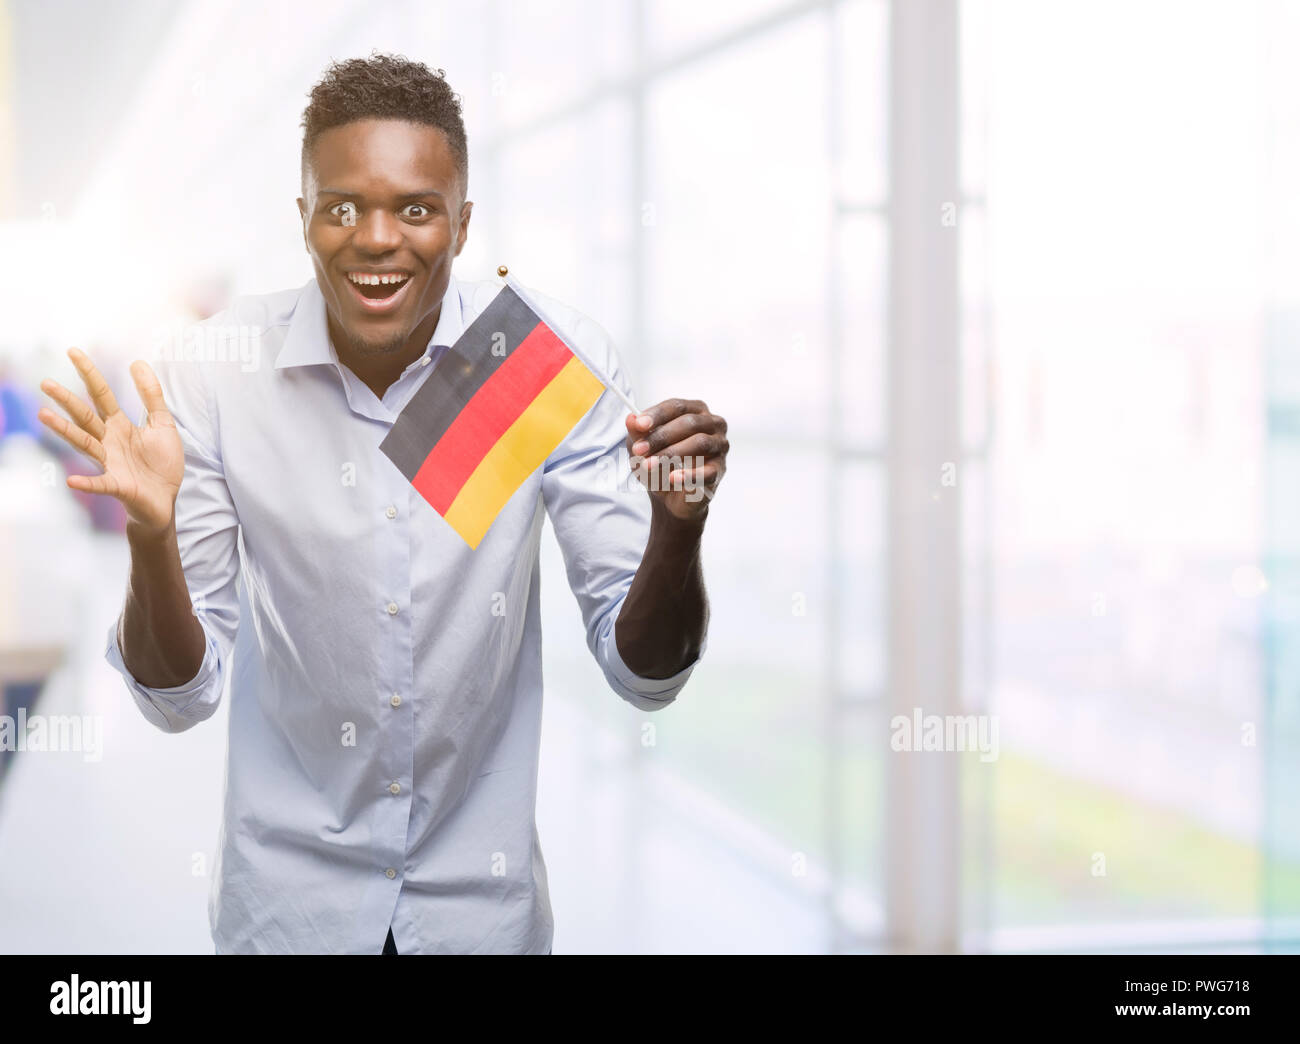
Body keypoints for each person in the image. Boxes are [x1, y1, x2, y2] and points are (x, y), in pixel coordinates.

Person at [35, 53, 727, 955]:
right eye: (343, 207)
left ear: (463, 224)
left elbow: (645, 674)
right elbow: (179, 697)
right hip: (289, 913)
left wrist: (679, 529)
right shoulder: (217, 373)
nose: (377, 237)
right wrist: (150, 535)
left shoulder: (529, 362)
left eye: (415, 208)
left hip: (481, 917)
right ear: (305, 220)